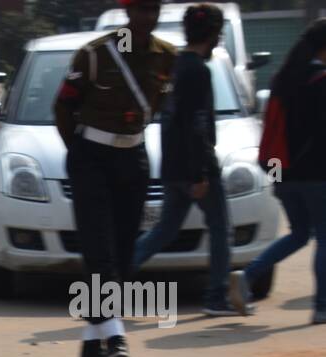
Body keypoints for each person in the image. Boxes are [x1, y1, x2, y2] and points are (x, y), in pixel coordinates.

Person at [54, 0, 175, 357]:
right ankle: (116, 339)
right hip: (92, 156)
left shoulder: (166, 57)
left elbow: (162, 103)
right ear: (128, 12)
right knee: (99, 250)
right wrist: (79, 153)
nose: (147, 16)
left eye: (153, 9)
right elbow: (63, 107)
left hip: (133, 157)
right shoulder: (95, 55)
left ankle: (92, 345)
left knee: (122, 254)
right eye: (141, 9)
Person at [132, 5, 239, 317]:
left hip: (173, 166)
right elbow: (197, 124)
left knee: (165, 230)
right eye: (218, 33)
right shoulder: (198, 71)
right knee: (220, 228)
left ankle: (112, 277)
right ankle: (216, 297)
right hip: (196, 167)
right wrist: (200, 174)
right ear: (212, 34)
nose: (218, 39)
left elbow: (171, 120)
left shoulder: (175, 65)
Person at [230, 18, 326, 324]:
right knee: (323, 238)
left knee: (299, 234)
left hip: (282, 173)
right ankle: (322, 307)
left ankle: (247, 277)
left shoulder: (283, 80)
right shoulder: (321, 82)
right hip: (317, 175)